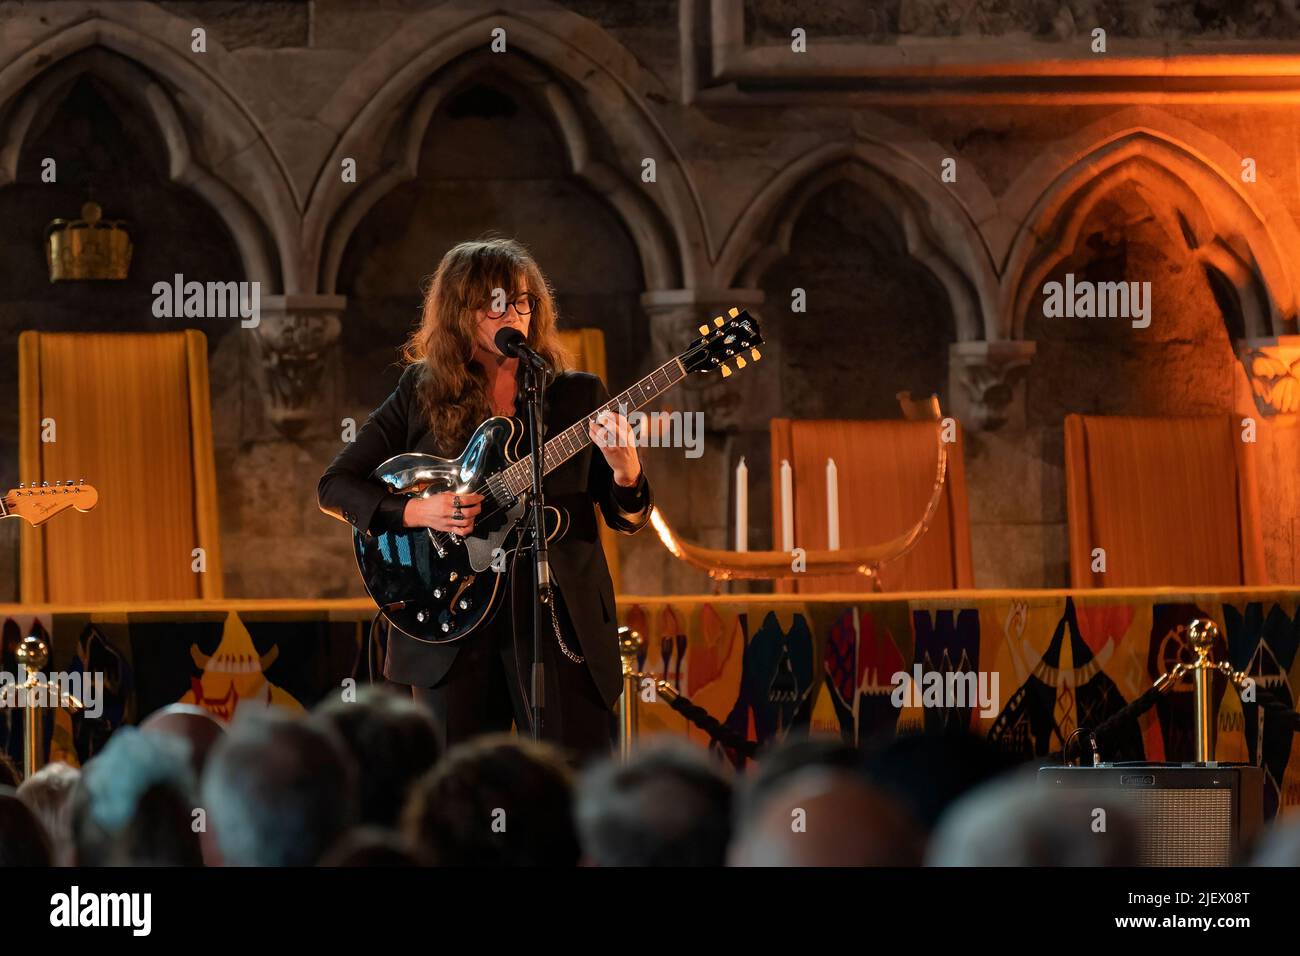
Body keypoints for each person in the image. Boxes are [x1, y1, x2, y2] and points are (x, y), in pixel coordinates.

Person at [318, 238, 652, 761]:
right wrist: (418, 511)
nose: (513, 314)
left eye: (522, 301)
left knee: (573, 782)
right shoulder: (421, 391)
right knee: (461, 789)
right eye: (495, 304)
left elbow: (626, 517)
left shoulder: (576, 396)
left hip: (558, 622)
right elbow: (335, 486)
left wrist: (626, 471)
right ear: (460, 312)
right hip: (450, 621)